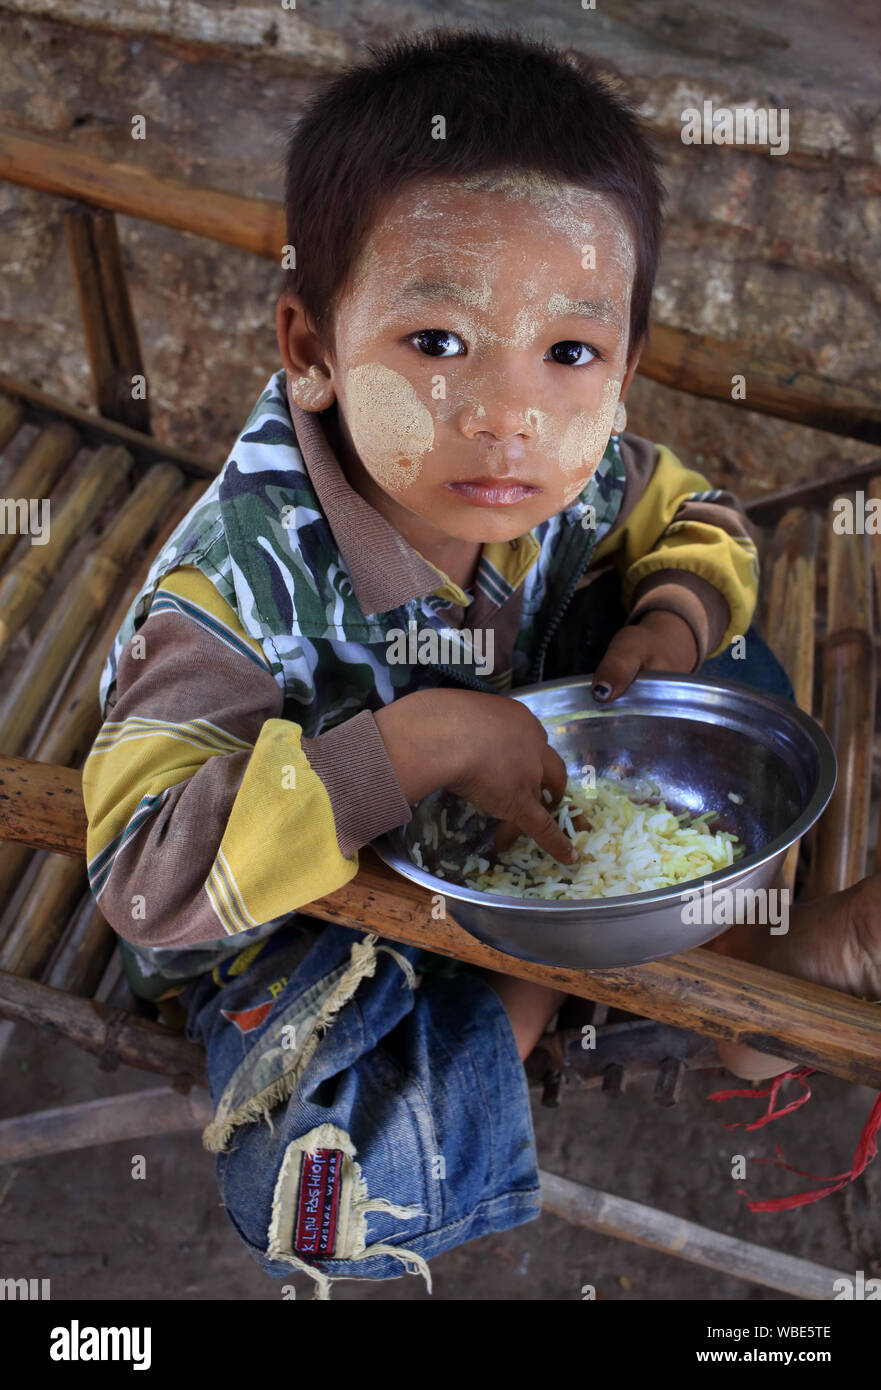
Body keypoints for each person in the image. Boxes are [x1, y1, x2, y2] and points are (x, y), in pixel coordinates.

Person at [81, 29, 868, 1298]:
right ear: (310, 349)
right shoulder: (230, 591)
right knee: (334, 1170)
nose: (510, 412)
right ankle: (566, 1004)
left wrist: (665, 621)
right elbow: (140, 878)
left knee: (724, 664)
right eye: (439, 343)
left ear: (622, 367)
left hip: (536, 789)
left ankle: (742, 954)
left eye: (568, 353)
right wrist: (417, 746)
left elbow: (700, 516)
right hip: (329, 911)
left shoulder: (573, 470)